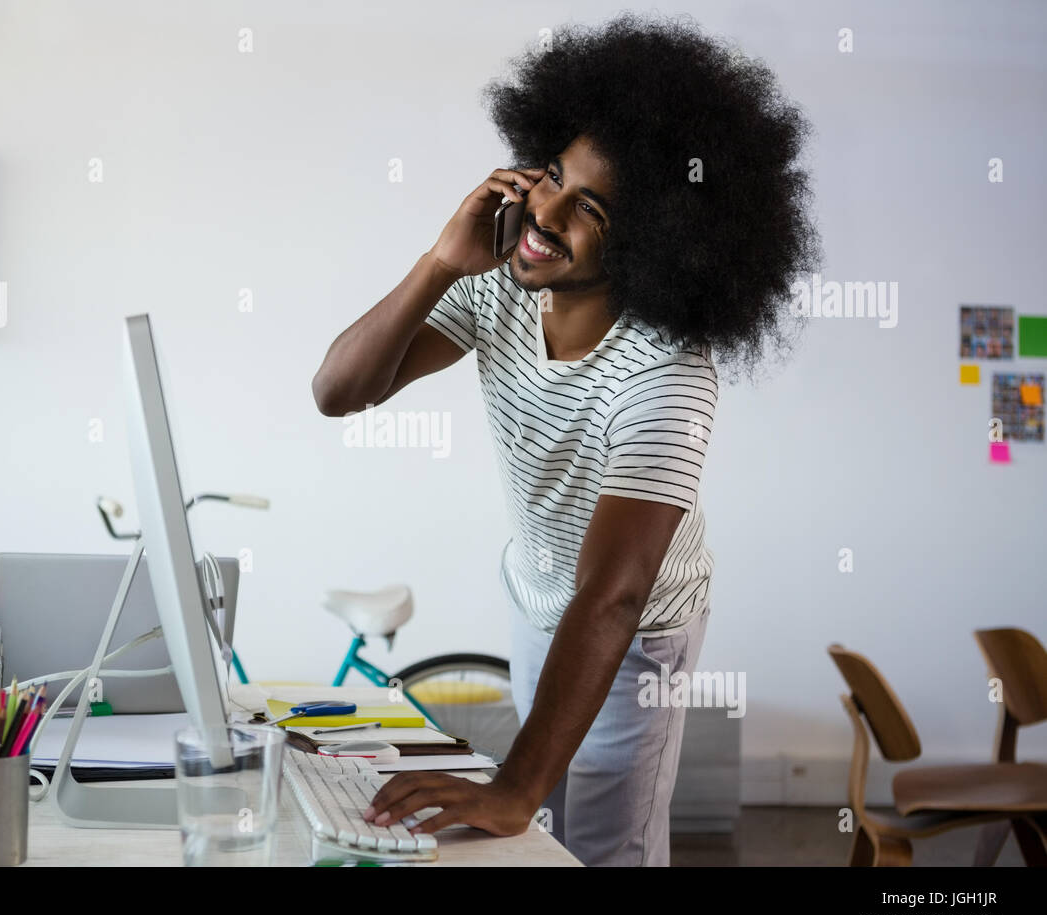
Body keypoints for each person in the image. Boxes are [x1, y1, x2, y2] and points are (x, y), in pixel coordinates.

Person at [311, 13, 819, 865]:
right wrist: (441, 261)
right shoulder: (498, 287)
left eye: (591, 211)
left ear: (660, 247)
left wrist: (514, 786)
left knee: (605, 843)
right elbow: (339, 390)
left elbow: (615, 593)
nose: (544, 211)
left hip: (639, 623)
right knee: (544, 830)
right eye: (550, 176)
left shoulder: (668, 373)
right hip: (538, 596)